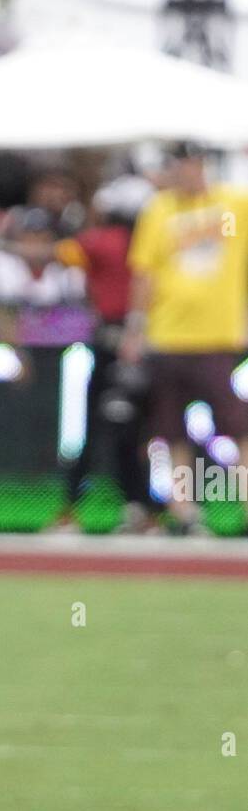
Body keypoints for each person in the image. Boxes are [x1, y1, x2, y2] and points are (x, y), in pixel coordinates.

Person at [120, 141, 248, 534]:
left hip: (216, 336)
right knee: (170, 430)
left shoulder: (233, 204)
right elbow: (145, 272)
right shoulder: (159, 210)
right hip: (168, 335)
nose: (187, 172)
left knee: (238, 425)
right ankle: (184, 511)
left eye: (193, 164)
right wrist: (135, 329)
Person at [49, 174, 160, 534]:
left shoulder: (102, 241)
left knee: (98, 431)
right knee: (135, 432)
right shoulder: (153, 244)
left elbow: (62, 253)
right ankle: (141, 510)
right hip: (151, 344)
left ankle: (73, 512)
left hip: (114, 343)